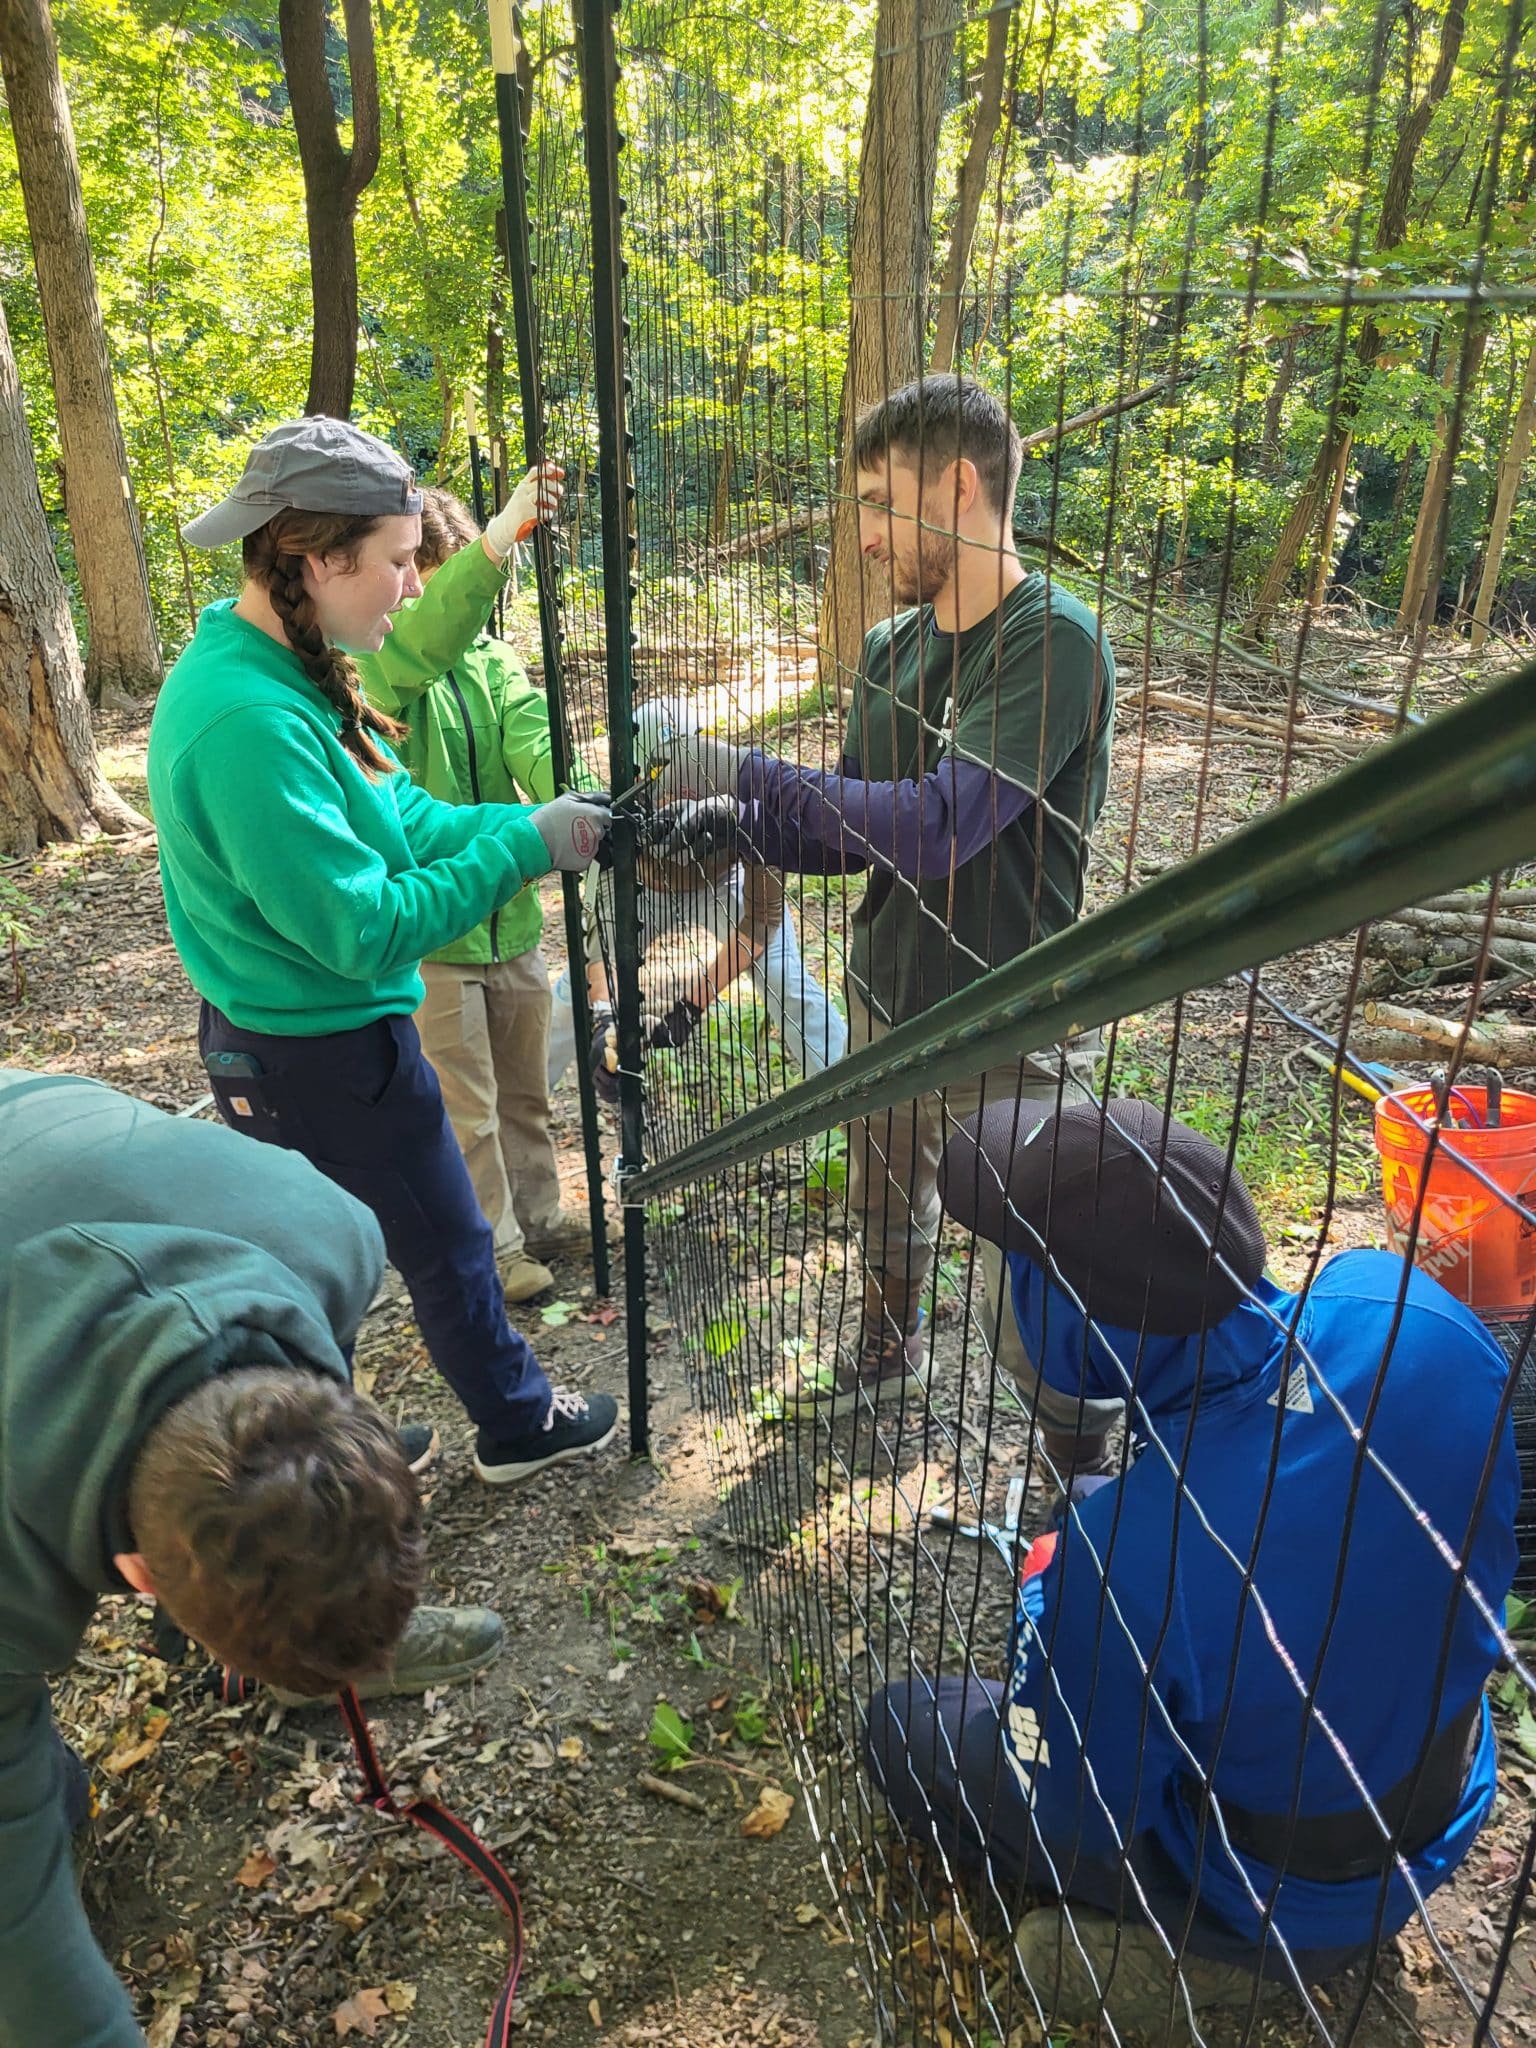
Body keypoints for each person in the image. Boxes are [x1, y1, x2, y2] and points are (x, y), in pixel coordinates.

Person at [866, 1096, 1518, 2033]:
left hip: (1282, 1893)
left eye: (1011, 1263)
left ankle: (1208, 1963)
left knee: (901, 1725)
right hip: (1448, 1796)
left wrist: (1053, 1612)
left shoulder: (1122, 1563)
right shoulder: (1402, 1304)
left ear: (1070, 1312)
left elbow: (1080, 1814)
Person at [656, 376, 1117, 1460]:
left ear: (958, 485)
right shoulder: (889, 651)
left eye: (876, 498)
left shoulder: (1052, 641)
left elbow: (938, 827)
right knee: (884, 1209)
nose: (861, 535)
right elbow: (853, 833)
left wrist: (744, 767)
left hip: (1011, 1027)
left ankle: (1080, 1464)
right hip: (888, 998)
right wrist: (733, 820)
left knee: (1036, 1287)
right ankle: (887, 1347)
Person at [149, 417, 616, 1485]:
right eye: (399, 562)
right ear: (318, 559)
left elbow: (402, 818)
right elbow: (362, 928)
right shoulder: (246, 721)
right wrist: (520, 850)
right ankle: (515, 1423)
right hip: (316, 1049)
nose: (413, 587)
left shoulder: (290, 665)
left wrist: (529, 823)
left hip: (304, 1040)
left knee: (328, 1260)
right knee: (447, 1245)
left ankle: (331, 1442)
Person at [0, 1067, 509, 2047]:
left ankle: (248, 1645)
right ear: (140, 1574)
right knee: (31, 1802)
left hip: (37, 1140)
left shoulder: (330, 1231)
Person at [357, 484, 597, 1303]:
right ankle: (494, 1251)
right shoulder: (378, 669)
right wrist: (493, 549)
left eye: (434, 569)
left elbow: (535, 742)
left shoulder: (497, 663)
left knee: (527, 1093)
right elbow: (418, 643)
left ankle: (539, 1220)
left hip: (514, 923)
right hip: (440, 936)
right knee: (468, 1109)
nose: (420, 589)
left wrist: (586, 798)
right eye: (413, 570)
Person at [587, 696, 848, 1104]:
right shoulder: (616, 814)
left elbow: (763, 921)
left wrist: (689, 1008)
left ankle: (853, 1094)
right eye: (663, 780)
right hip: (646, 889)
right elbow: (603, 935)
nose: (679, 795)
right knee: (575, 990)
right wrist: (604, 1016)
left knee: (785, 978)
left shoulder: (746, 798)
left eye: (690, 774)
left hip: (724, 884)